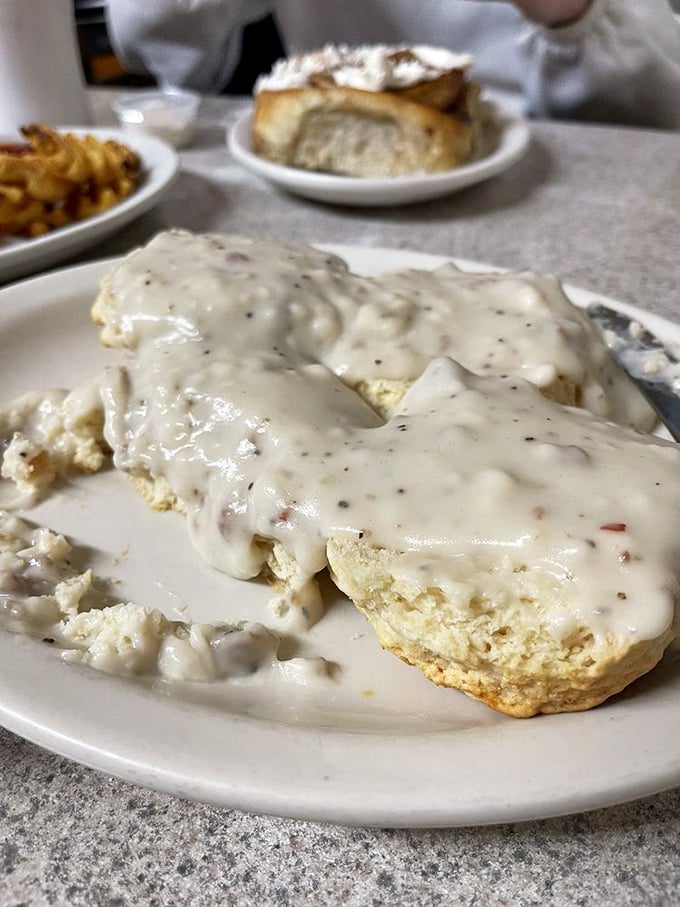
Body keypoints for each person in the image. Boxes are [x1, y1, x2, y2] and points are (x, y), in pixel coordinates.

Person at [106, 0, 680, 128]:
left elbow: (657, 118)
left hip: (549, 164)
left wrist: (565, 12)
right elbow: (150, 42)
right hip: (318, 173)